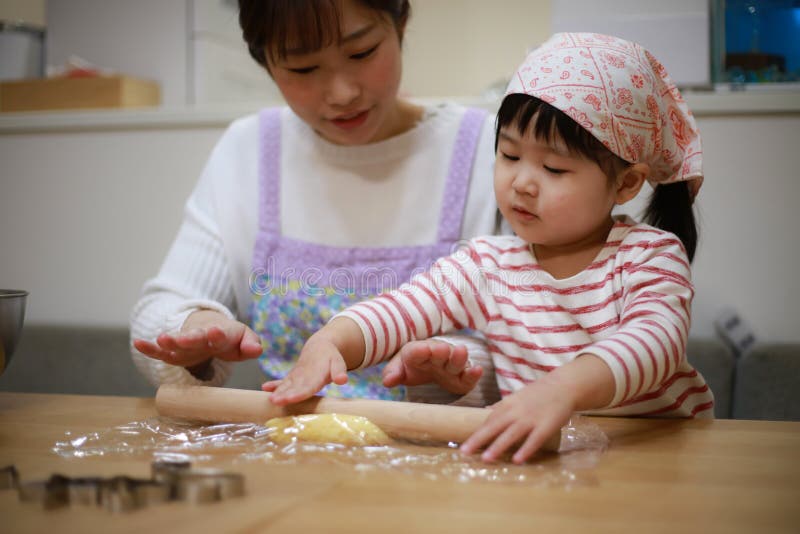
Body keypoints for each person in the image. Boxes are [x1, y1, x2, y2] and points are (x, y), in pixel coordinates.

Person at [263, 32, 715, 463]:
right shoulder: (488, 264)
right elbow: (403, 308)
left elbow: (655, 344)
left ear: (626, 182)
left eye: (554, 168)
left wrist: (563, 389)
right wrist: (332, 341)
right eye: (510, 155)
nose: (521, 182)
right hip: (554, 463)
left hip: (662, 459)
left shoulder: (649, 256)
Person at [130, 0, 502, 403]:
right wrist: (194, 330)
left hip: (446, 459)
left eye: (362, 53)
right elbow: (159, 311)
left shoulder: (492, 150)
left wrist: (456, 371)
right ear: (265, 63)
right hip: (290, 455)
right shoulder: (248, 151)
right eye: (303, 68)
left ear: (401, 24)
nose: (342, 93)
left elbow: (543, 334)